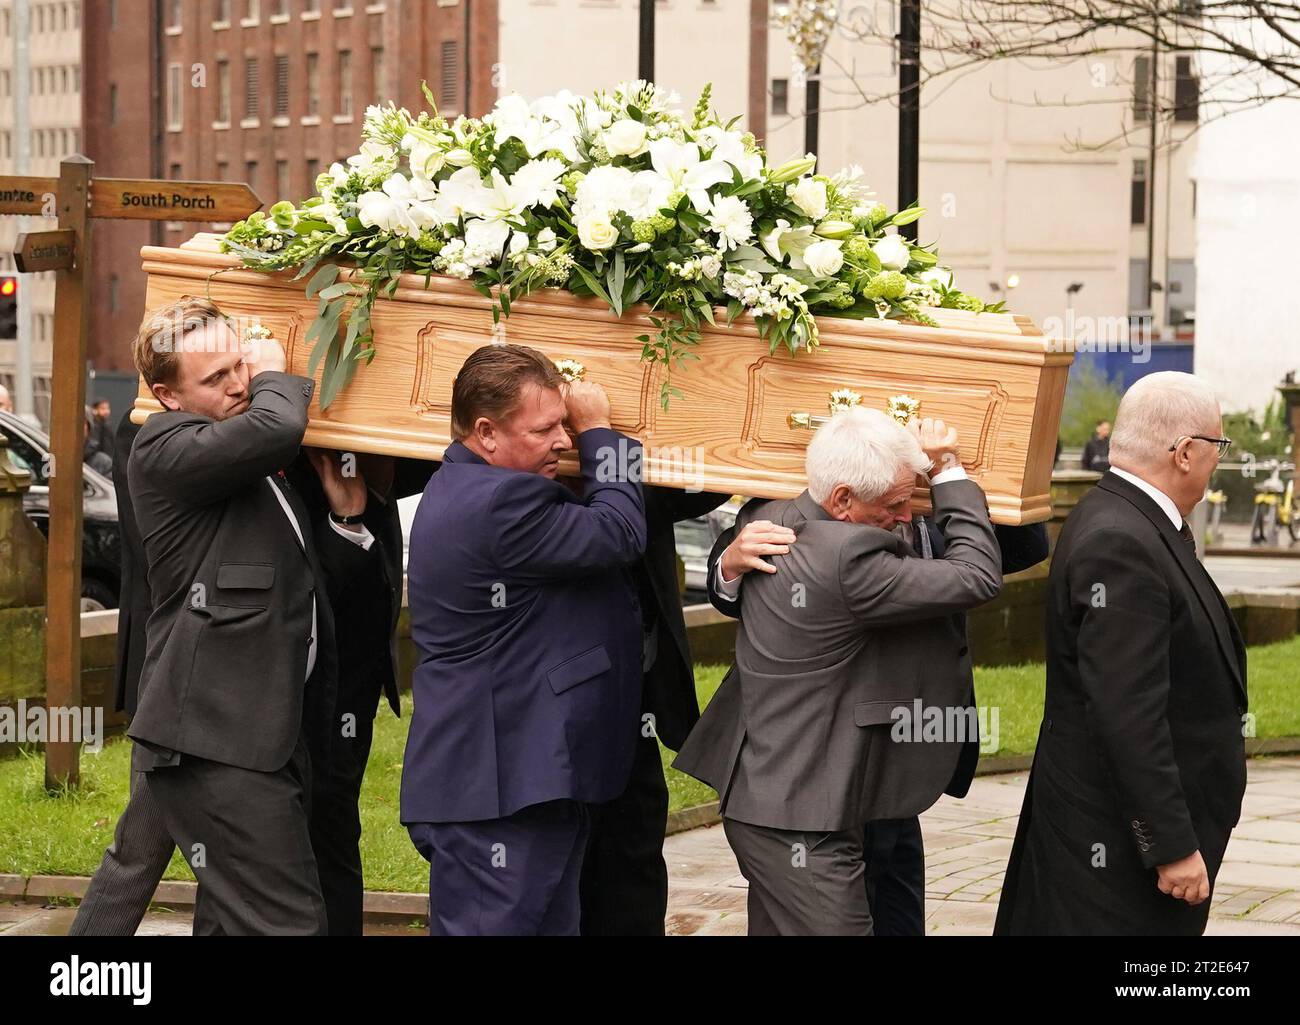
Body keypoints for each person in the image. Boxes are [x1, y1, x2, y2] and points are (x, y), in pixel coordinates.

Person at [673, 409, 1001, 935]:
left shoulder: (774, 517)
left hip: (833, 784)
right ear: (843, 499)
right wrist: (948, 472)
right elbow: (978, 576)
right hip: (803, 810)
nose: (906, 516)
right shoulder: (846, 555)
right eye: (895, 505)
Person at [123, 296, 381, 935]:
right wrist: (273, 372)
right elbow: (275, 427)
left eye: (241, 365)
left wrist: (347, 520)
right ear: (167, 395)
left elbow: (300, 585)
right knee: (287, 923)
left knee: (209, 910)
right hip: (216, 736)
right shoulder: (164, 447)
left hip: (257, 726)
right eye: (216, 377)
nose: (240, 383)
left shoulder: (248, 462)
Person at [401, 344, 646, 936]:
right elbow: (619, 531)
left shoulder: (472, 486)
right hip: (498, 789)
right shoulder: (498, 502)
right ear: (485, 432)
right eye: (547, 429)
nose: (564, 441)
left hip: (518, 782)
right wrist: (601, 433)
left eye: (566, 423)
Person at [995, 371, 1247, 936]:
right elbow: (1126, 712)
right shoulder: (1121, 539)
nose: (1219, 460)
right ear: (1184, 452)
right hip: (1113, 853)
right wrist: (1170, 844)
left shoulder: (1127, 516)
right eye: (1218, 445)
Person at [579, 484, 731, 936]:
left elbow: (698, 488)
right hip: (555, 702)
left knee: (633, 845)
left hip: (636, 686)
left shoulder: (634, 475)